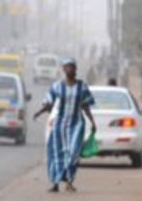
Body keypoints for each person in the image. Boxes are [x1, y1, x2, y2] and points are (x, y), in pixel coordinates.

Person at [33, 58, 97, 192]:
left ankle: (69, 181)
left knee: (73, 152)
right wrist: (39, 112)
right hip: (59, 124)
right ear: (63, 69)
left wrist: (92, 121)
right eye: (67, 67)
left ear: (76, 69)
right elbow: (48, 103)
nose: (70, 69)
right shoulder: (57, 86)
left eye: (72, 67)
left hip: (76, 124)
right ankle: (55, 183)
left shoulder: (82, 86)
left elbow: (85, 105)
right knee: (56, 153)